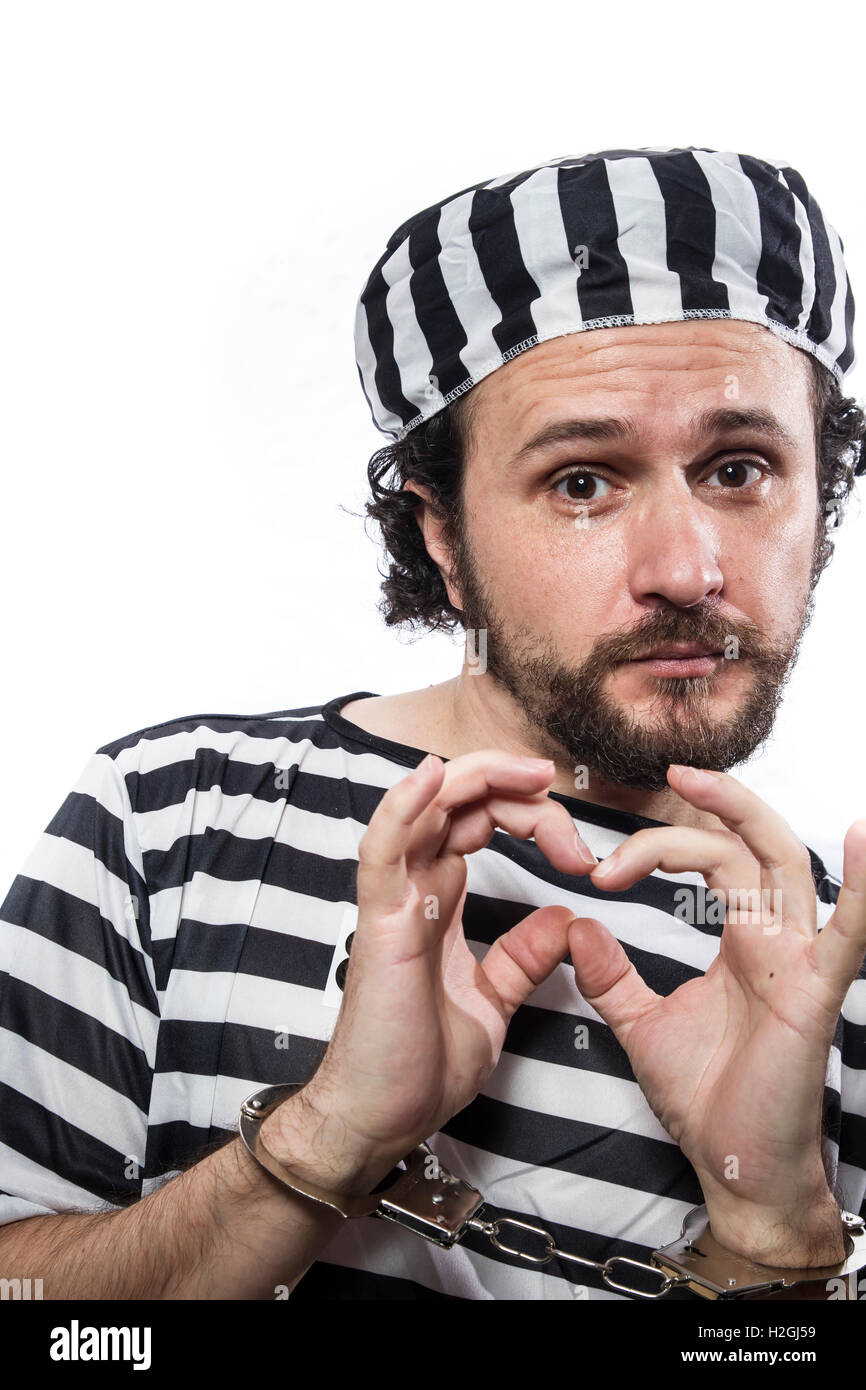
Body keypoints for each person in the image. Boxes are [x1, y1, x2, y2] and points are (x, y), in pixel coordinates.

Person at [1, 146, 865, 1301]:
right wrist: (322, 1140)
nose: (685, 568)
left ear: (820, 498)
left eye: (740, 468)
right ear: (441, 538)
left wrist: (772, 1234)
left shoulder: (828, 968)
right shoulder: (175, 819)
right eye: (580, 482)